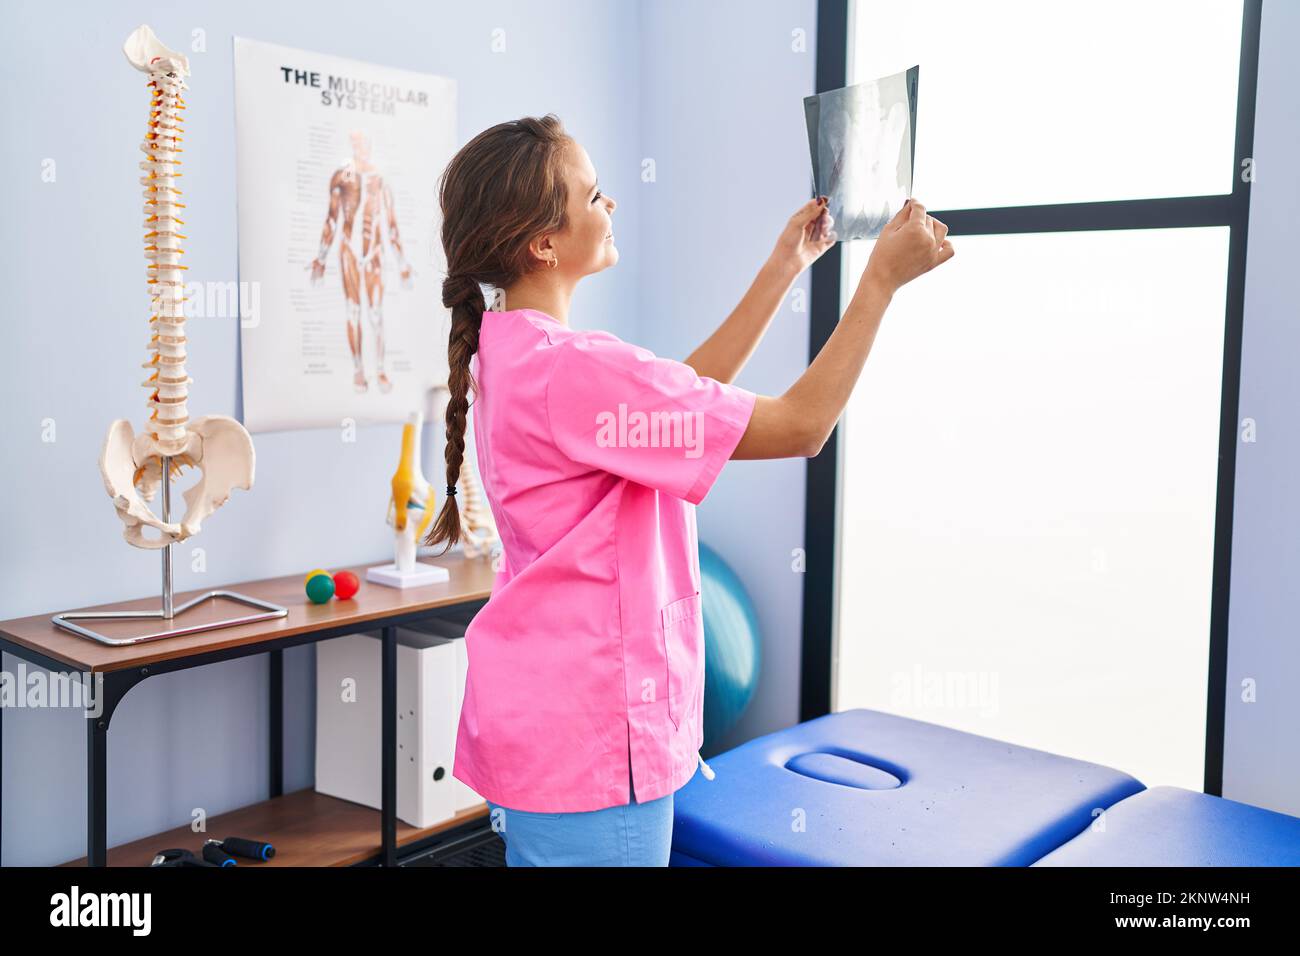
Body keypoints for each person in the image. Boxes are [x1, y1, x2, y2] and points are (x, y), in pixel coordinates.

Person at [424, 114, 953, 866]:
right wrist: (880, 283)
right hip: (594, 744)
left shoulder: (511, 355)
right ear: (542, 242)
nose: (611, 206)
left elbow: (677, 400)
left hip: (538, 728)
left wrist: (785, 264)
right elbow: (803, 427)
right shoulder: (574, 368)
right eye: (595, 194)